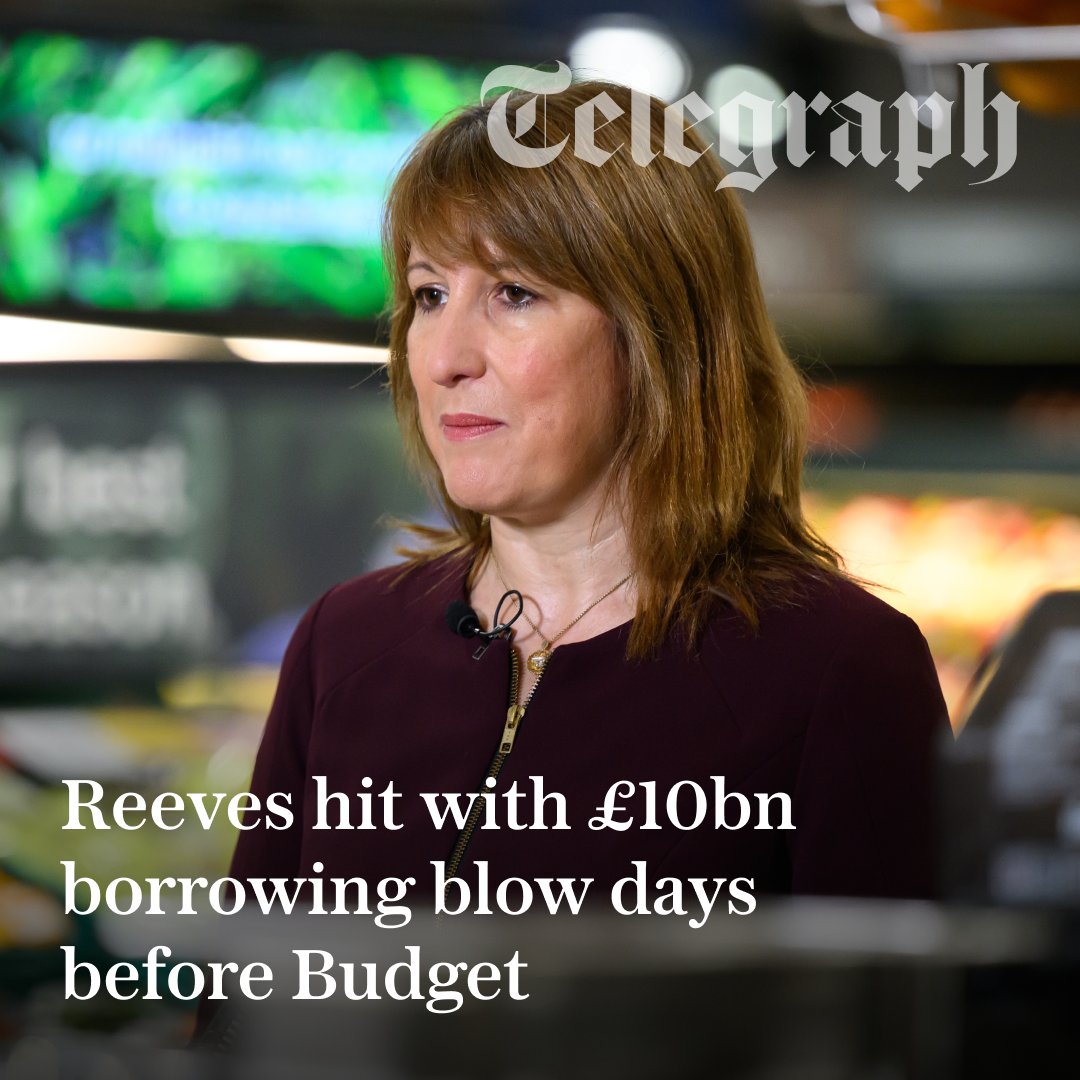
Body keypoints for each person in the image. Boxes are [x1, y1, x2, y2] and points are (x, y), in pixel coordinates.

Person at [227, 77, 949, 907]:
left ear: (660, 334)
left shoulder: (839, 668)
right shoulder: (342, 642)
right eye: (430, 295)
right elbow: (252, 983)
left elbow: (898, 993)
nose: (444, 358)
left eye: (514, 293)